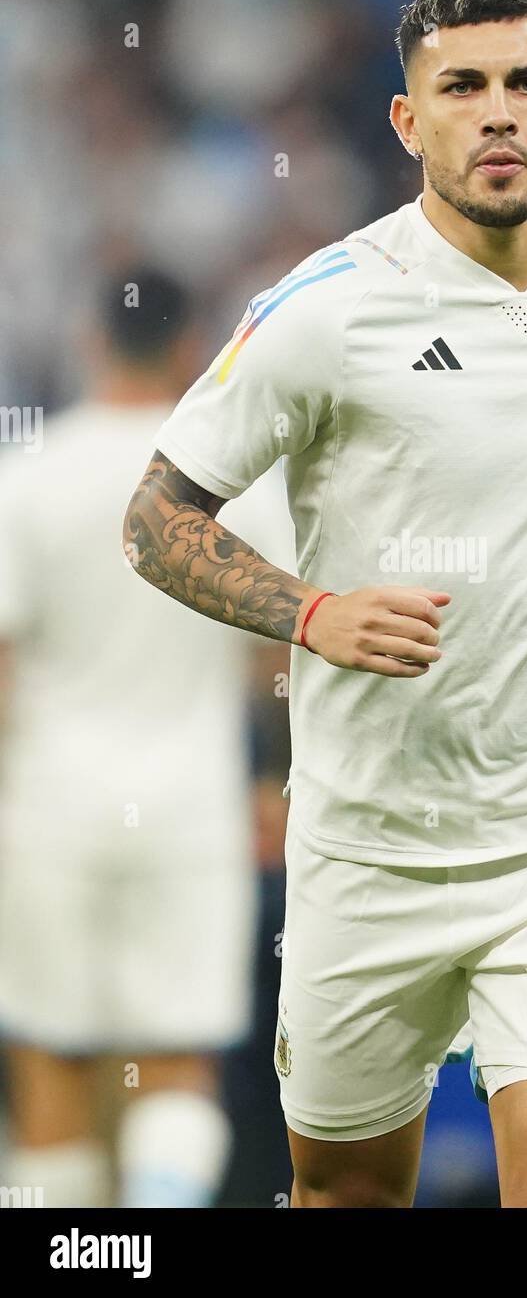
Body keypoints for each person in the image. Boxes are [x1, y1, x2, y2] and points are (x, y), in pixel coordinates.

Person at [123, 0, 527, 1208]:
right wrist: (311, 612)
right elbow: (154, 518)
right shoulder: (326, 310)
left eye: (525, 83)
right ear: (408, 122)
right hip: (369, 844)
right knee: (346, 1192)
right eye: (461, 87)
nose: (497, 112)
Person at [0, 268, 292, 1207]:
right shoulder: (232, 487)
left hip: (48, 811)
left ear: (91, 340)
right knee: (177, 1060)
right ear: (190, 349)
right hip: (191, 811)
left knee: (53, 1057)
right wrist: (274, 782)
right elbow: (280, 658)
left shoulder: (28, 475)